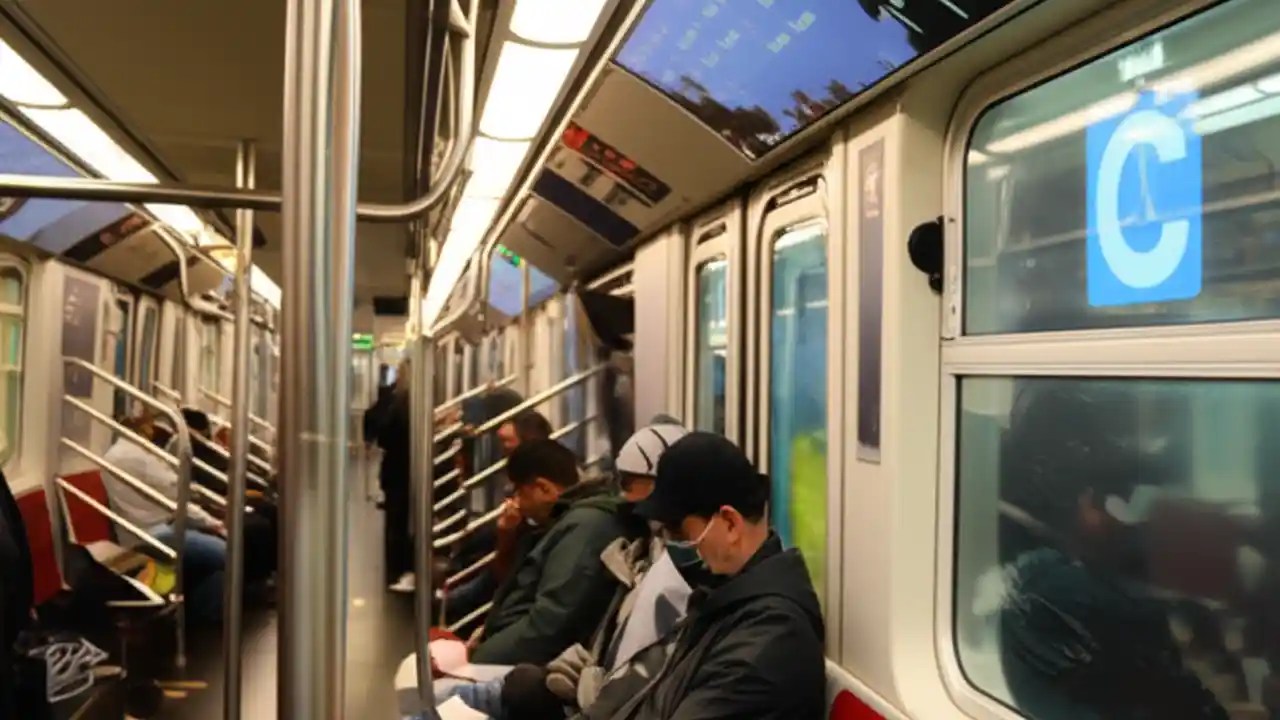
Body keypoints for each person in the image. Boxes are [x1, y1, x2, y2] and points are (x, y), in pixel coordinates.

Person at [434, 419, 693, 718]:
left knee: (437, 701)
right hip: (570, 675)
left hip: (562, 683)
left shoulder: (589, 528)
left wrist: (475, 661)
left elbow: (551, 622)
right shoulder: (604, 530)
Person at [591, 431, 826, 720]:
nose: (672, 544)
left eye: (679, 532)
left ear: (729, 523)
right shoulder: (725, 600)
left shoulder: (771, 637)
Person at [467, 438, 630, 666]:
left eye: (519, 493)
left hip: (531, 668)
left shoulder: (584, 527)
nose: (517, 503)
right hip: (517, 654)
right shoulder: (561, 520)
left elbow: (550, 623)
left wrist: (481, 657)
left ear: (543, 488)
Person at [101, 414, 227, 625]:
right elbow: (176, 492)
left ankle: (202, 610)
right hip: (151, 533)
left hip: (157, 525)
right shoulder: (133, 456)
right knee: (224, 553)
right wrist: (212, 522)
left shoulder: (129, 453)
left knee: (215, 551)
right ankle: (201, 615)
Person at [180, 407, 278, 584]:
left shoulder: (203, 450)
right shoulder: (189, 452)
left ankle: (268, 575)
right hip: (214, 500)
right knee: (257, 525)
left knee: (269, 510)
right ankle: (255, 582)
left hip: (221, 495)